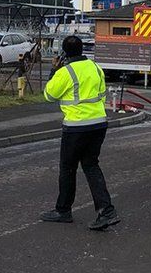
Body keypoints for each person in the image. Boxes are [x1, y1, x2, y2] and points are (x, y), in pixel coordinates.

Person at [39, 35, 119, 230]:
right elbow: (101, 94)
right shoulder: (95, 67)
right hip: (99, 124)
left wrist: (54, 70)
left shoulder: (65, 72)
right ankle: (106, 210)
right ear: (82, 49)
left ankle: (63, 210)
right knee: (91, 165)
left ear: (65, 52)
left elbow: (49, 95)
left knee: (68, 168)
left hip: (76, 126)